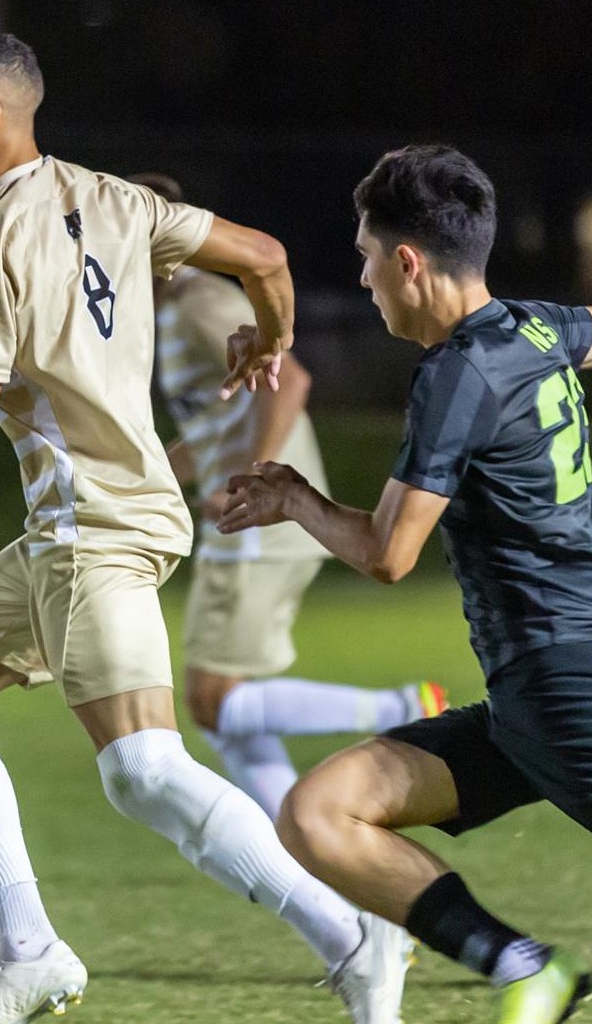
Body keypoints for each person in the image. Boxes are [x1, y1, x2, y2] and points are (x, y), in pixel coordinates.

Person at [0, 34, 409, 1024]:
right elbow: (265, 256)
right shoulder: (117, 198)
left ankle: (350, 937)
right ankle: (29, 948)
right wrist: (270, 336)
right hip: (77, 528)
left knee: (144, 769)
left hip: (92, 530)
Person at [221, 145, 592, 1024]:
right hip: (526, 690)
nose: (362, 278)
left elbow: (387, 554)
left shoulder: (457, 376)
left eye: (365, 257)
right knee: (319, 813)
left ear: (407, 262)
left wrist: (297, 501)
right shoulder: (537, 326)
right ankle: (527, 969)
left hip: (580, 667)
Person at [130, 170, 448, 820]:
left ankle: (401, 710)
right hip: (254, 519)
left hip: (259, 520)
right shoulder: (172, 309)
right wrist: (141, 480)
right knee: (226, 707)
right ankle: (295, 841)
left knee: (211, 701)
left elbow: (289, 381)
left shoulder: (199, 303)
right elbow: (216, 423)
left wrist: (251, 476)